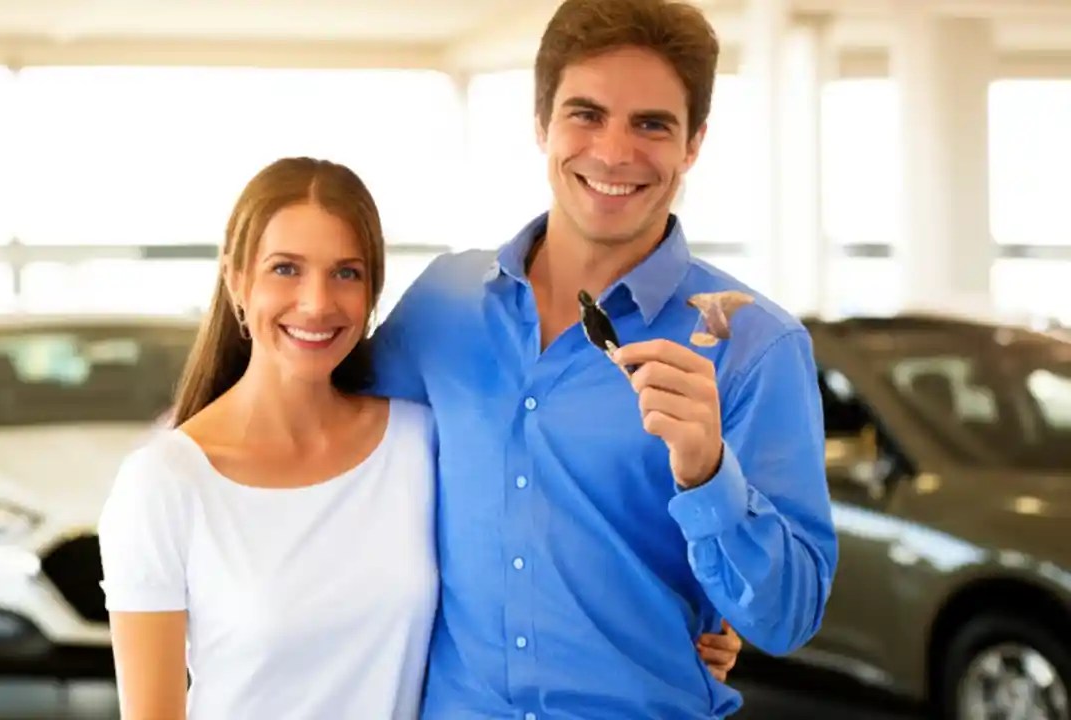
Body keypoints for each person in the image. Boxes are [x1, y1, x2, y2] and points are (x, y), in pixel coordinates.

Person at [98, 155, 743, 719]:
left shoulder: (416, 442)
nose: (317, 302)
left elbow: (540, 547)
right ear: (237, 280)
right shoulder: (165, 484)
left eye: (346, 273)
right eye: (285, 269)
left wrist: (681, 624)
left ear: (374, 290)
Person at [367, 0, 839, 718]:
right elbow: (333, 462)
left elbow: (788, 618)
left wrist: (709, 475)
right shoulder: (444, 303)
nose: (615, 153)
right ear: (541, 123)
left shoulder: (756, 347)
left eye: (652, 125)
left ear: (694, 143)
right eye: (586, 114)